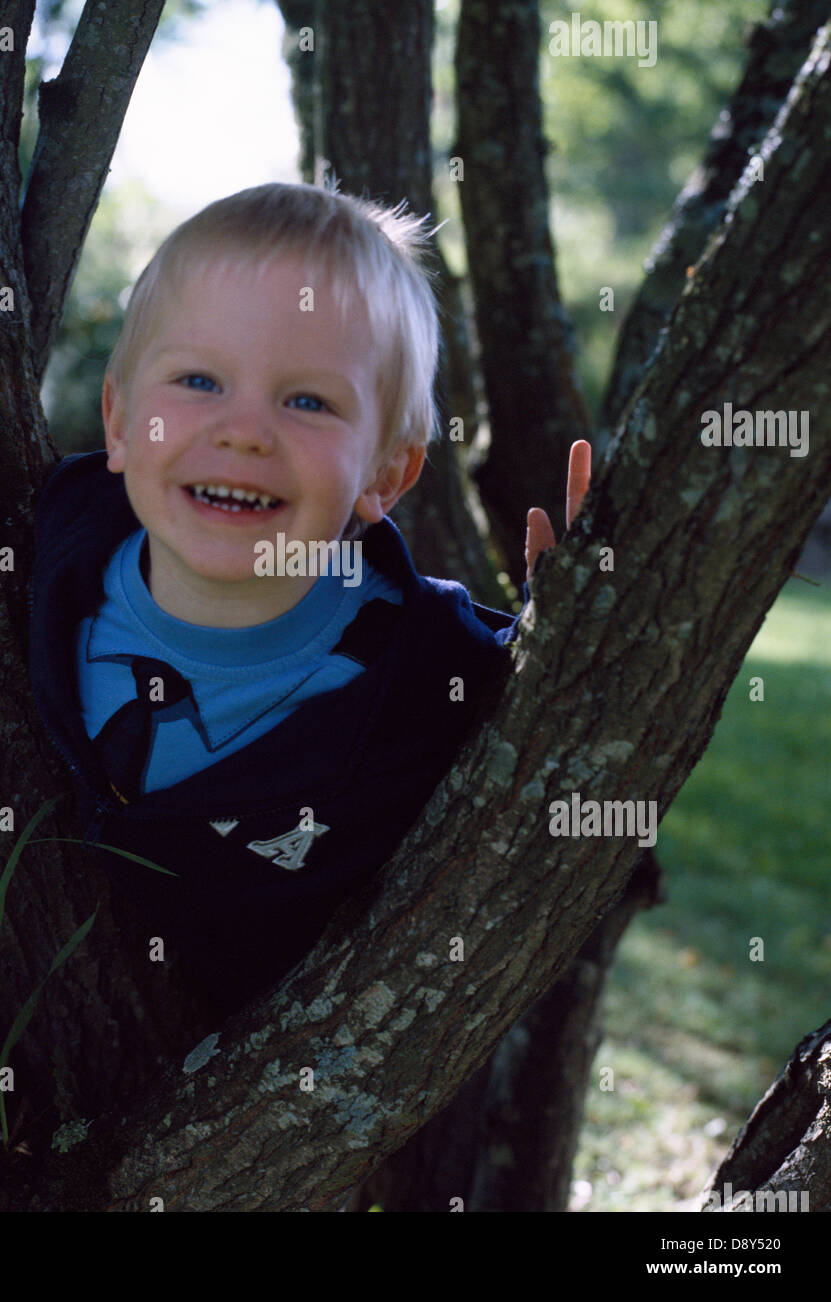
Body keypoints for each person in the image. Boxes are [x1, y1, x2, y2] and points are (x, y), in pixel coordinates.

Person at [29, 182, 590, 1021]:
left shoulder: (435, 672)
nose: (244, 430)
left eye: (307, 402)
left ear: (386, 475)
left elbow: (574, 778)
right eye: (197, 379)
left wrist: (581, 643)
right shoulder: (38, 554)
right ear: (118, 420)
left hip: (276, 1101)